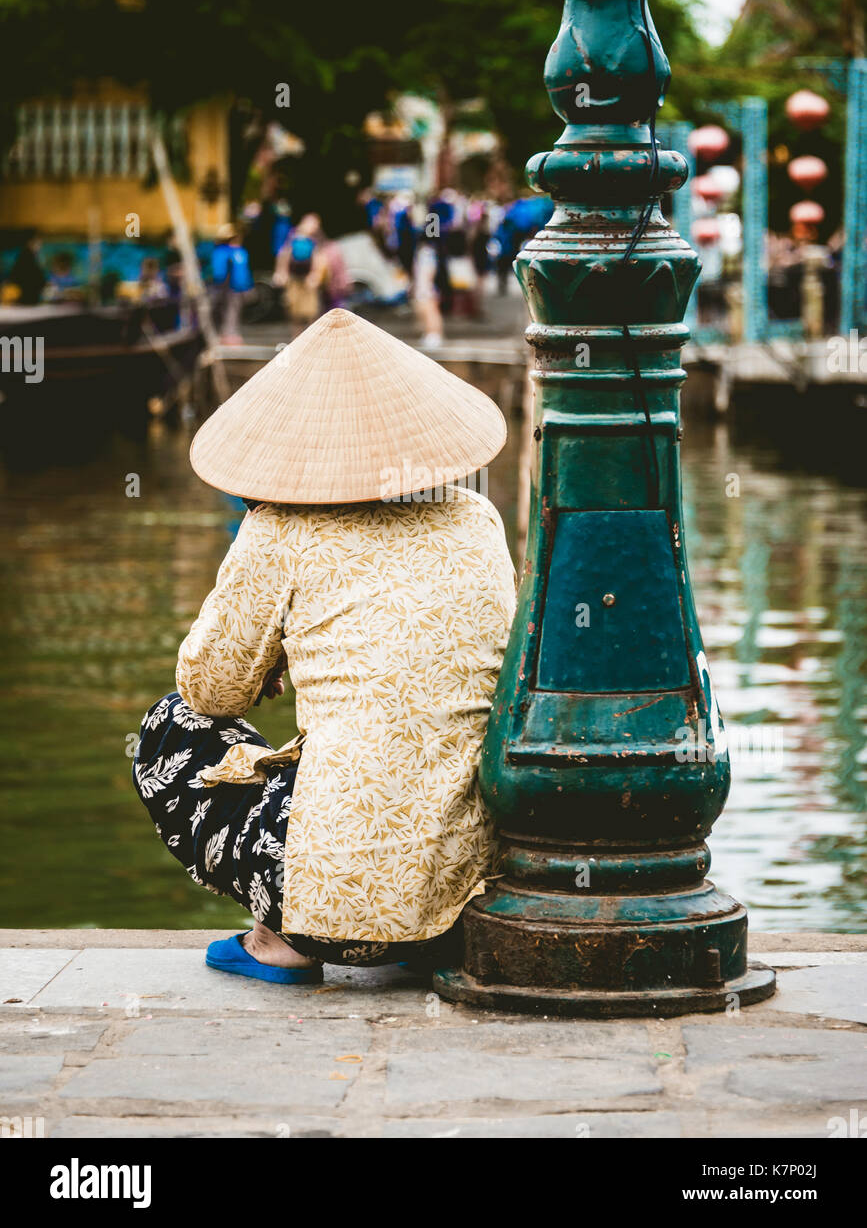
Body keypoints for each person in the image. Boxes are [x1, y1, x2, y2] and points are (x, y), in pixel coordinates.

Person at [132, 309, 515, 980]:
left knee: (171, 725)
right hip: (466, 902)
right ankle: (405, 925)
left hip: (329, 918)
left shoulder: (278, 531)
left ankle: (279, 938)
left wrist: (272, 652)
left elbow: (210, 691)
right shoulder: (475, 518)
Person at [7, 232, 45, 306]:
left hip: (24, 295)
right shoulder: (28, 257)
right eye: (38, 243)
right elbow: (36, 277)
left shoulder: (26, 256)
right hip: (27, 295)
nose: (40, 246)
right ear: (30, 242)